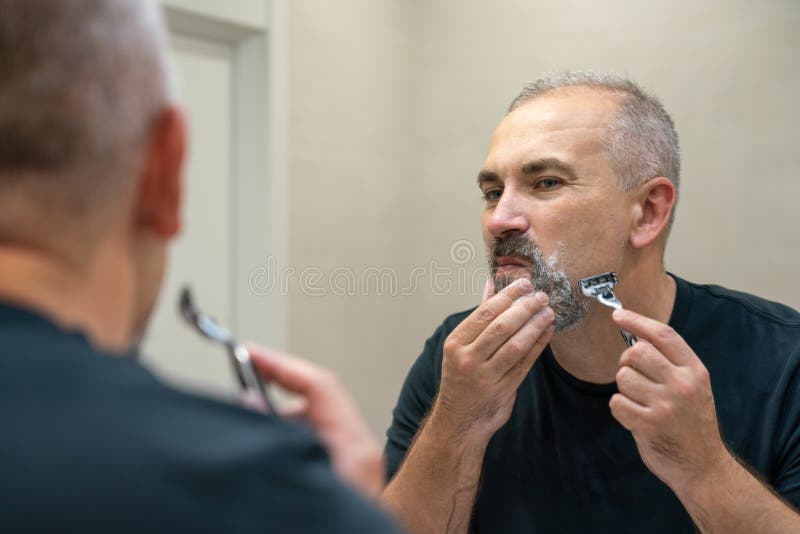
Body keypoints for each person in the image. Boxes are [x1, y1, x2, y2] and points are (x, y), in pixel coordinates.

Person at [0, 1, 401, 532]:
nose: (500, 217)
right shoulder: (263, 496)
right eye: (488, 191)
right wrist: (341, 510)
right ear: (166, 172)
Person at [382, 71, 800, 533]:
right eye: (493, 192)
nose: (500, 219)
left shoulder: (784, 364)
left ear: (648, 212)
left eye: (546, 183)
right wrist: (456, 425)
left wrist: (704, 471)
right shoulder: (459, 362)